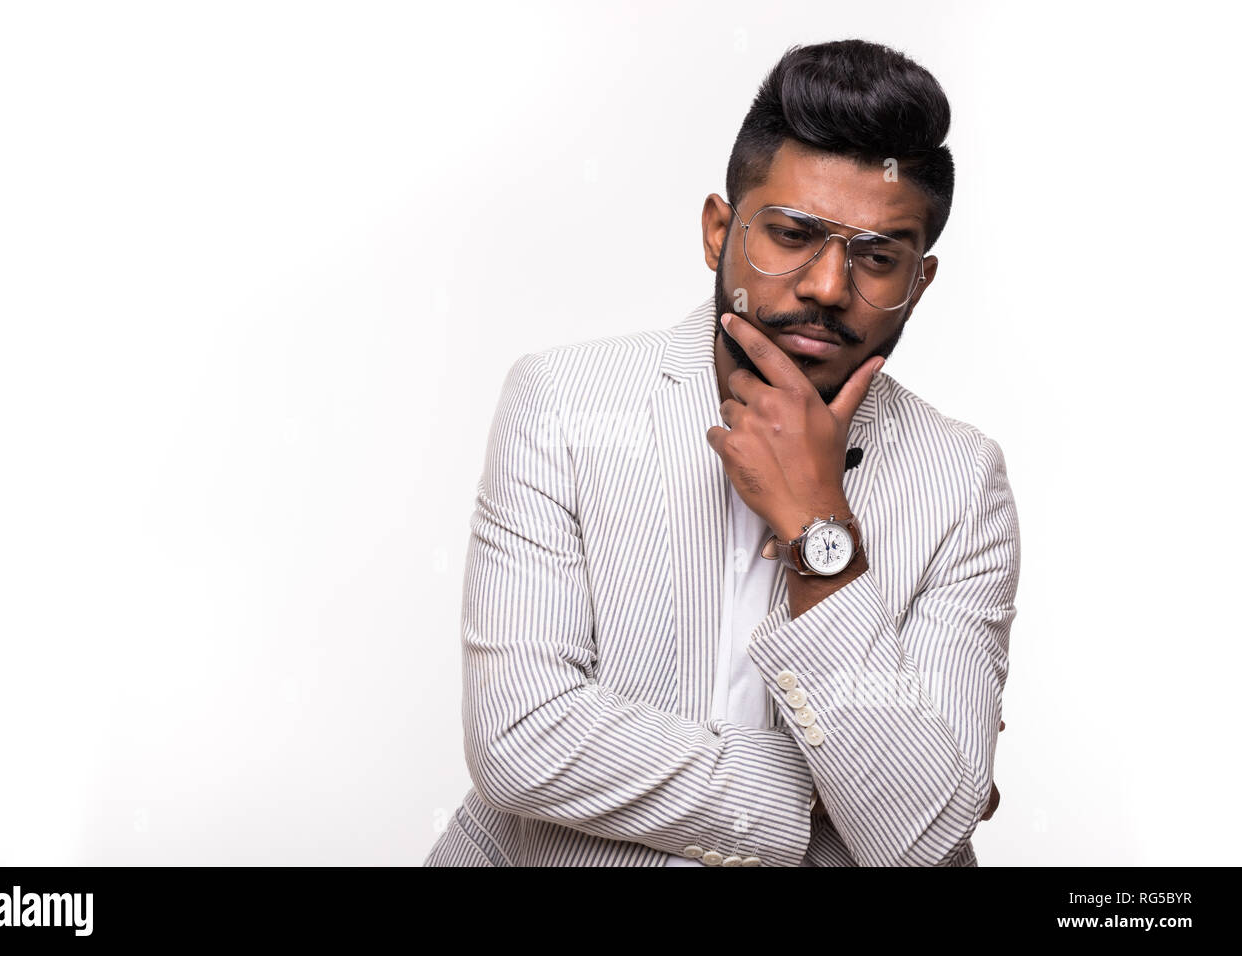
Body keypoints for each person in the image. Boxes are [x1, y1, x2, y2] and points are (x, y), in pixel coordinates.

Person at [424, 38, 1020, 867]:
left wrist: (821, 536)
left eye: (878, 258)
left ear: (919, 281)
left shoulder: (961, 483)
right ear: (718, 231)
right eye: (791, 234)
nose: (824, 287)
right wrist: (830, 803)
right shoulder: (564, 404)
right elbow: (521, 741)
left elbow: (917, 844)